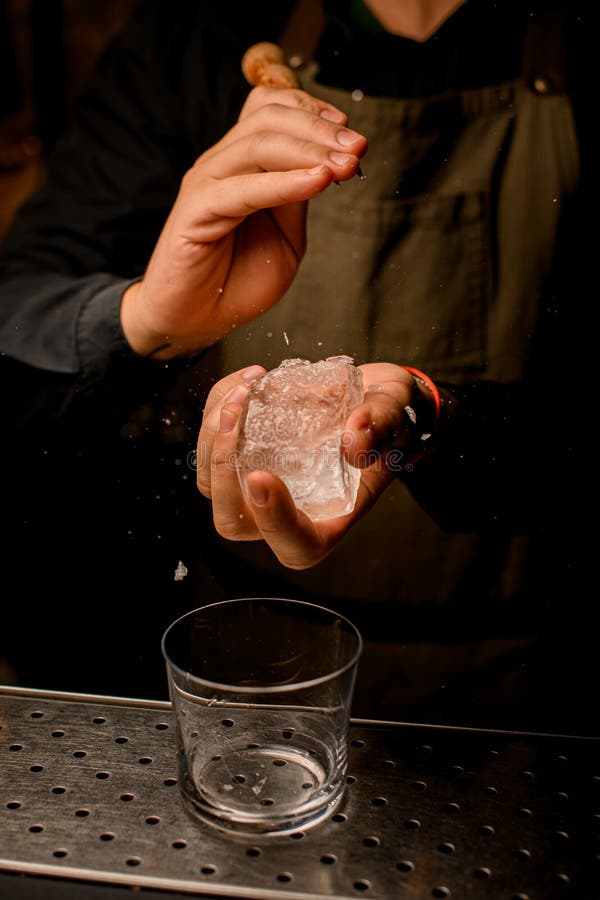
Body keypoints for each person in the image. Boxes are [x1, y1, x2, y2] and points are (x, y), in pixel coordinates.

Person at [0, 0, 591, 732]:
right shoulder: (202, 32)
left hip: (533, 692)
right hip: (247, 678)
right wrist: (147, 318)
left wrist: (440, 416)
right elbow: (19, 316)